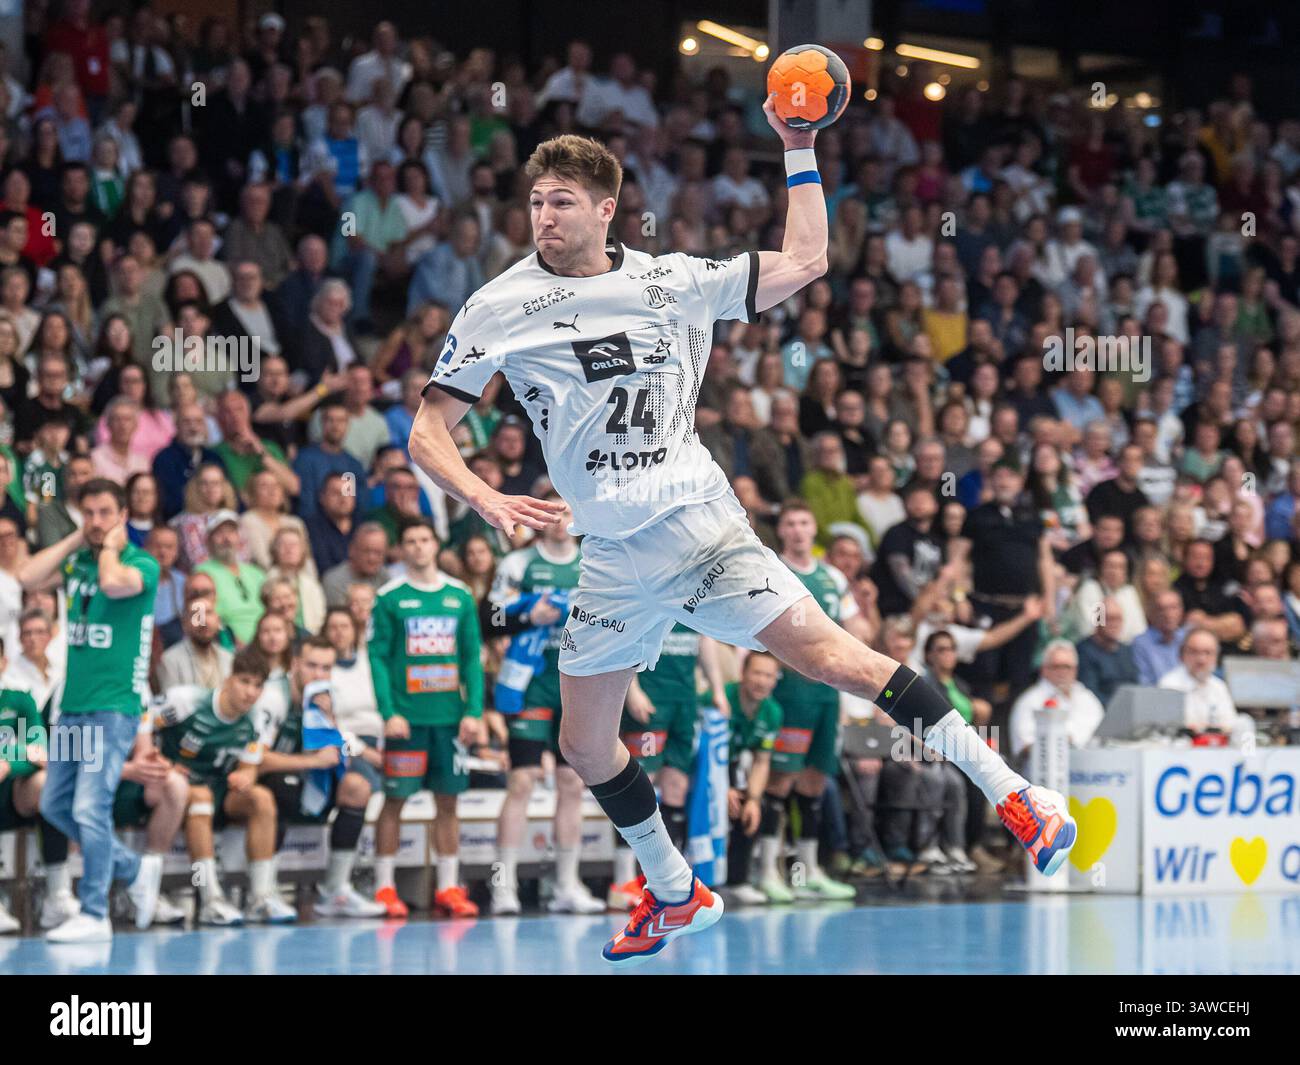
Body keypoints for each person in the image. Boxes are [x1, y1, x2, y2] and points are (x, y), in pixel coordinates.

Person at [408, 118, 1075, 965]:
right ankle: (675, 889)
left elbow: (807, 259)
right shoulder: (499, 304)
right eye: (537, 200)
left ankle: (1017, 795)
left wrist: (796, 146)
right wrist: (479, 494)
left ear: (607, 210)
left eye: (563, 201)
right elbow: (427, 429)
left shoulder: (674, 281)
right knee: (582, 742)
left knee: (835, 659)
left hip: (696, 526)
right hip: (610, 553)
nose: (545, 215)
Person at [18, 479, 162, 942]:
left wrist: (110, 546)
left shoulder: (141, 564)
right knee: (55, 804)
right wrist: (77, 538)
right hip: (73, 706)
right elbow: (26, 577)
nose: (97, 521)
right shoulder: (79, 559)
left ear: (123, 516)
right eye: (89, 513)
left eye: (105, 513)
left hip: (113, 707)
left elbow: (113, 584)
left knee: (89, 805)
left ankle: (96, 913)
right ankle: (133, 869)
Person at [484, 498, 604, 916]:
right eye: (550, 513)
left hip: (577, 684)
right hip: (530, 685)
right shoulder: (519, 563)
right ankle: (503, 886)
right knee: (521, 782)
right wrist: (527, 618)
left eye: (566, 512)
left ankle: (567, 885)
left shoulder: (595, 561)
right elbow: (489, 619)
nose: (559, 520)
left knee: (572, 784)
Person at [369, 519, 484, 918]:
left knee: (448, 801)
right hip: (407, 720)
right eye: (410, 541)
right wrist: (388, 712)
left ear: (436, 545)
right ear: (401, 550)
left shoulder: (460, 596)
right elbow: (377, 658)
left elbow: (472, 658)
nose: (418, 547)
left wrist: (473, 711)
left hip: (450, 719)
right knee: (395, 800)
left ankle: (448, 887)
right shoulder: (389, 597)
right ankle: (384, 887)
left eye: (424, 540)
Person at [149, 649, 282, 926]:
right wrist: (164, 763)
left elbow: (249, 766)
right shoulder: (187, 701)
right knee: (201, 798)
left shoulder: (258, 719)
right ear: (228, 679)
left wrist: (246, 776)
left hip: (220, 788)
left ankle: (260, 898)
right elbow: (141, 726)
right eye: (244, 682)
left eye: (258, 686)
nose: (250, 692)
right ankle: (210, 898)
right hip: (172, 787)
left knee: (262, 798)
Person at [721, 650, 783, 906]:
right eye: (757, 673)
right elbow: (701, 752)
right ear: (743, 674)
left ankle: (738, 881)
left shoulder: (772, 711)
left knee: (756, 808)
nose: (762, 681)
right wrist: (721, 789)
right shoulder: (720, 699)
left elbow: (761, 761)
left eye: (769, 676)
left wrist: (754, 800)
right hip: (702, 769)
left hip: (734, 768)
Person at [1008, 640, 1105, 760]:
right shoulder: (1029, 701)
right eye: (1056, 667)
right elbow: (1024, 748)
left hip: (1093, 764)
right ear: (1044, 669)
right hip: (1046, 767)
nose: (1062, 672)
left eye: (1067, 667)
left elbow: (1104, 736)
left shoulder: (1087, 698)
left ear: (1075, 670)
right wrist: (1059, 742)